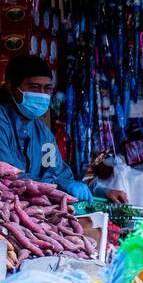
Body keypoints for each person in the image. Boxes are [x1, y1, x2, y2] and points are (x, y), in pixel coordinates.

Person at [0, 55, 127, 204]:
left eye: (47, 89)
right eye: (34, 87)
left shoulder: (43, 135)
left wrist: (102, 191)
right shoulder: (2, 124)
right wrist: (61, 186)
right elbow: (8, 179)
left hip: (30, 213)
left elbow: (55, 175)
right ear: (10, 87)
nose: (41, 94)